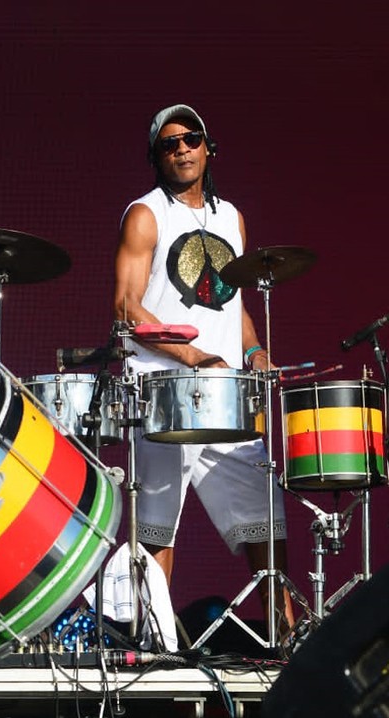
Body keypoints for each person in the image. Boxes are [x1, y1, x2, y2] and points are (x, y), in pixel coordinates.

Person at [112, 103, 292, 641]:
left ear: (208, 147)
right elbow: (126, 306)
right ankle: (153, 648)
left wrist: (255, 351)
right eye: (169, 144)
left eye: (191, 139)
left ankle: (286, 638)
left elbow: (228, 304)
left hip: (226, 394)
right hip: (163, 391)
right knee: (156, 531)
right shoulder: (145, 214)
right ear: (157, 157)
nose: (182, 149)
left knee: (265, 520)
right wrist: (192, 356)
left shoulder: (231, 218)